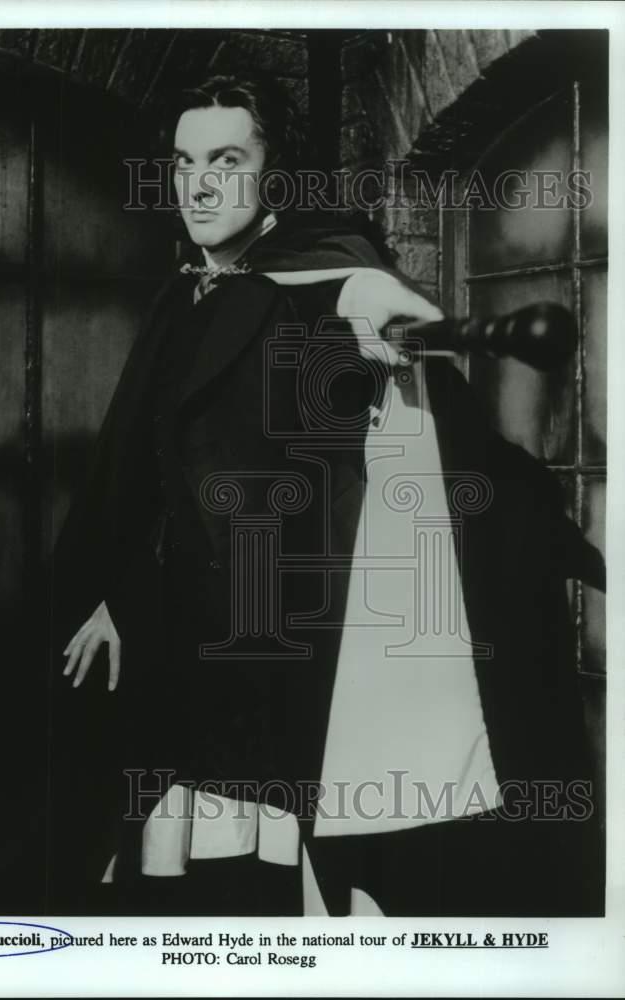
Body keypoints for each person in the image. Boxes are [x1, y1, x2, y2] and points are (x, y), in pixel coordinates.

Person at [50, 72, 603, 917]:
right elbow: (148, 470)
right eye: (185, 162)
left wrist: (393, 319)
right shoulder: (183, 295)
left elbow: (361, 292)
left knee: (296, 887)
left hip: (283, 648)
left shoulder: (317, 272)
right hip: (185, 635)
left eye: (227, 161)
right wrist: (115, 591)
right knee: (189, 885)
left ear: (273, 176)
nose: (199, 185)